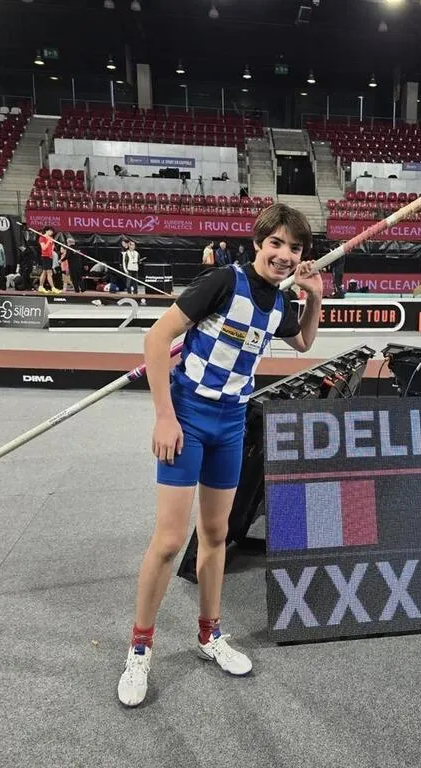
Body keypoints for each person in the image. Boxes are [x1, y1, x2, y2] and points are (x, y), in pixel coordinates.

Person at [117, 204, 323, 708]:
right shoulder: (221, 282)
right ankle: (139, 649)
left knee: (215, 536)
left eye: (294, 248)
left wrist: (314, 299)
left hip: (231, 423)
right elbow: (156, 338)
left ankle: (210, 636)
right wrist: (164, 417)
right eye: (276, 243)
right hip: (187, 416)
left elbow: (302, 342)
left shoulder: (280, 302)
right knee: (168, 541)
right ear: (258, 244)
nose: (284, 254)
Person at [36, 228, 59, 294]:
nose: (51, 232)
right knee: (49, 273)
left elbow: (51, 248)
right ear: (47, 231)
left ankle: (40, 287)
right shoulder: (42, 238)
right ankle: (53, 288)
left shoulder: (50, 237)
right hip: (45, 257)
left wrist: (52, 243)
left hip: (50, 257)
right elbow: (43, 248)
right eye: (50, 231)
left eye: (52, 231)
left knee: (44, 272)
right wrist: (48, 241)